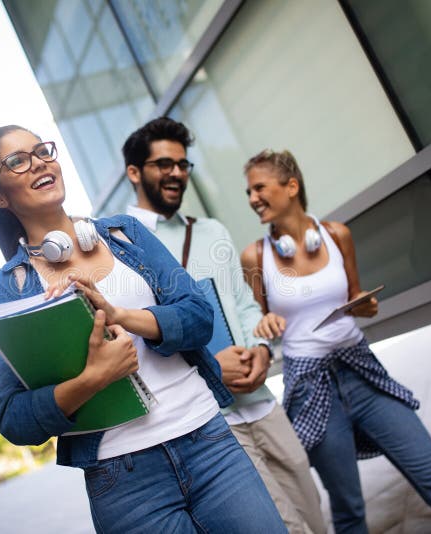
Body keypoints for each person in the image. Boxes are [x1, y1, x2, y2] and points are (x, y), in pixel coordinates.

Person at [0, 125, 286, 533]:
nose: (39, 163)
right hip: (123, 481)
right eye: (18, 161)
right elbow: (15, 418)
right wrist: (95, 378)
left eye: (43, 151)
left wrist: (120, 315)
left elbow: (197, 316)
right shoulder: (9, 288)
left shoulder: (127, 234)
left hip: (208, 442)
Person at [239, 149, 431, 534]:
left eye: (259, 187)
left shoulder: (337, 235)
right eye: (248, 192)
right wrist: (265, 324)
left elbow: (357, 300)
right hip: (312, 390)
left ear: (290, 186)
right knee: (349, 512)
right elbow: (257, 321)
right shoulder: (255, 256)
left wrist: (365, 307)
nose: (252, 198)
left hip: (362, 373)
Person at [121, 117, 326, 534]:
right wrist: (213, 366)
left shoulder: (212, 231)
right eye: (164, 163)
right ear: (134, 172)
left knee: (313, 513)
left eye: (182, 164)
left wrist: (262, 351)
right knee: (284, 526)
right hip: (209, 422)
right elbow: (137, 341)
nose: (177, 173)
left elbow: (244, 305)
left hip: (261, 401)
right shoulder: (119, 247)